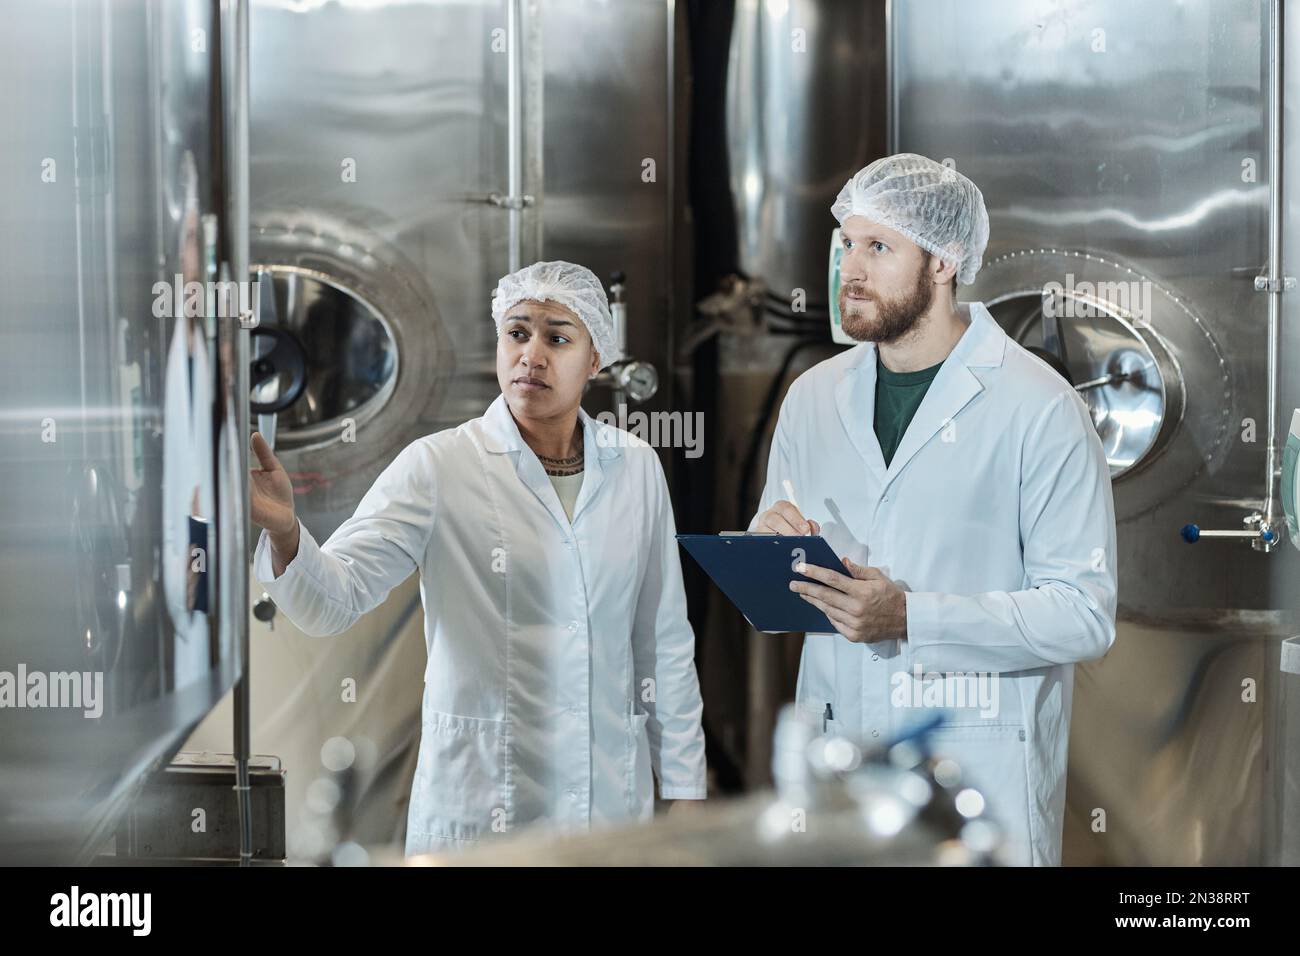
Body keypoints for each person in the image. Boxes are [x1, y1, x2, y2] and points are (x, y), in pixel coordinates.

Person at [250, 260, 707, 856]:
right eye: (517, 333)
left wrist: (686, 790)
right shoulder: (438, 466)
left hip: (609, 806)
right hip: (483, 805)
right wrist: (287, 532)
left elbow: (663, 642)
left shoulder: (637, 467)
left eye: (558, 338)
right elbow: (332, 602)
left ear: (596, 360)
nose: (531, 355)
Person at [749, 153, 1117, 865]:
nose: (849, 270)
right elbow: (788, 560)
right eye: (846, 244)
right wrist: (767, 552)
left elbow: (1084, 611)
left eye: (878, 248)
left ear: (944, 262)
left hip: (975, 769)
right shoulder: (814, 397)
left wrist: (911, 616)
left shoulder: (1038, 406)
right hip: (841, 765)